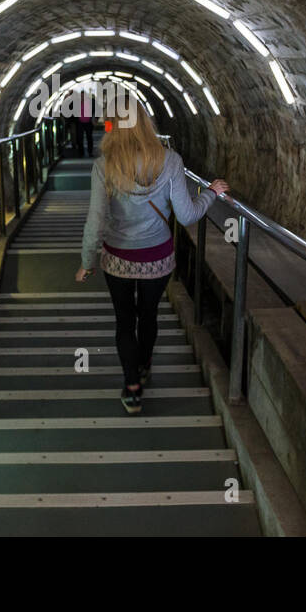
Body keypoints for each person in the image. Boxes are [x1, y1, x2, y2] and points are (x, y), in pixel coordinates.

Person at [75, 102, 228, 414]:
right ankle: (144, 365)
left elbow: (95, 220)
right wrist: (210, 192)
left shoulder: (105, 166)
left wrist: (87, 261)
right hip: (157, 257)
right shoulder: (170, 161)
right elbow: (187, 216)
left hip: (118, 257)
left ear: (113, 127)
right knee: (148, 316)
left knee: (124, 322)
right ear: (146, 123)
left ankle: (132, 387)